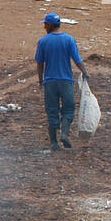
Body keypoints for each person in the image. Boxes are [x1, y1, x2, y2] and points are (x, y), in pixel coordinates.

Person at [35, 13, 89, 151]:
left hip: (50, 82)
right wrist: (85, 72)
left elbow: (40, 63)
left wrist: (41, 81)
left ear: (50, 25)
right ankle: (64, 133)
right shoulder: (69, 40)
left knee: (52, 111)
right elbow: (77, 59)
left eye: (45, 24)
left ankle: (54, 142)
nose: (44, 27)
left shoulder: (43, 41)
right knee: (69, 109)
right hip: (66, 81)